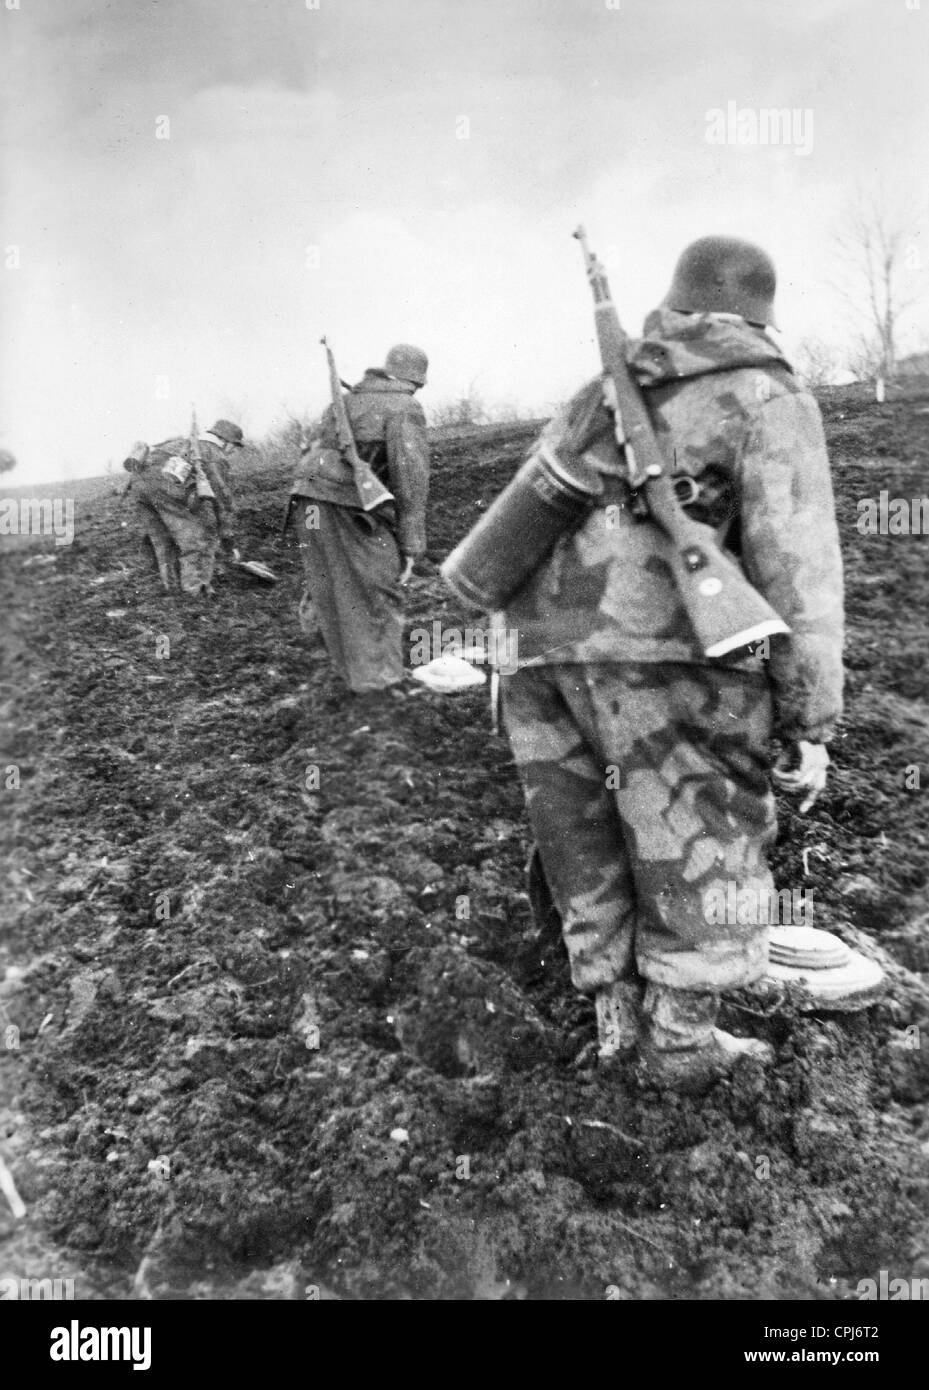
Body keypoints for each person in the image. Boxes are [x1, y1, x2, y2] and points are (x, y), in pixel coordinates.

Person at [498, 236, 844, 1092]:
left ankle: (615, 1022)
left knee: (581, 838)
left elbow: (516, 535)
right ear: (760, 311)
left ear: (674, 306)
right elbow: (797, 572)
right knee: (702, 832)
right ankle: (680, 1044)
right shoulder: (766, 394)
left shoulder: (598, 392)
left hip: (537, 659)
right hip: (669, 661)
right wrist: (809, 717)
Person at [290, 344, 430, 693]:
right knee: (377, 589)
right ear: (414, 381)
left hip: (306, 507)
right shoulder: (404, 406)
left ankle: (348, 675)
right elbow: (410, 478)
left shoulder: (344, 403)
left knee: (330, 585)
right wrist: (412, 544)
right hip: (346, 506)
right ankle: (380, 686)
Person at [123, 419, 244, 596]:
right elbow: (222, 498)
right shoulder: (214, 454)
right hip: (163, 488)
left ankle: (172, 590)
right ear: (224, 440)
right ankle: (196, 591)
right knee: (197, 538)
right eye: (234, 445)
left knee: (163, 541)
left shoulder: (182, 444)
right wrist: (228, 537)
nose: (234, 450)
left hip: (138, 486)